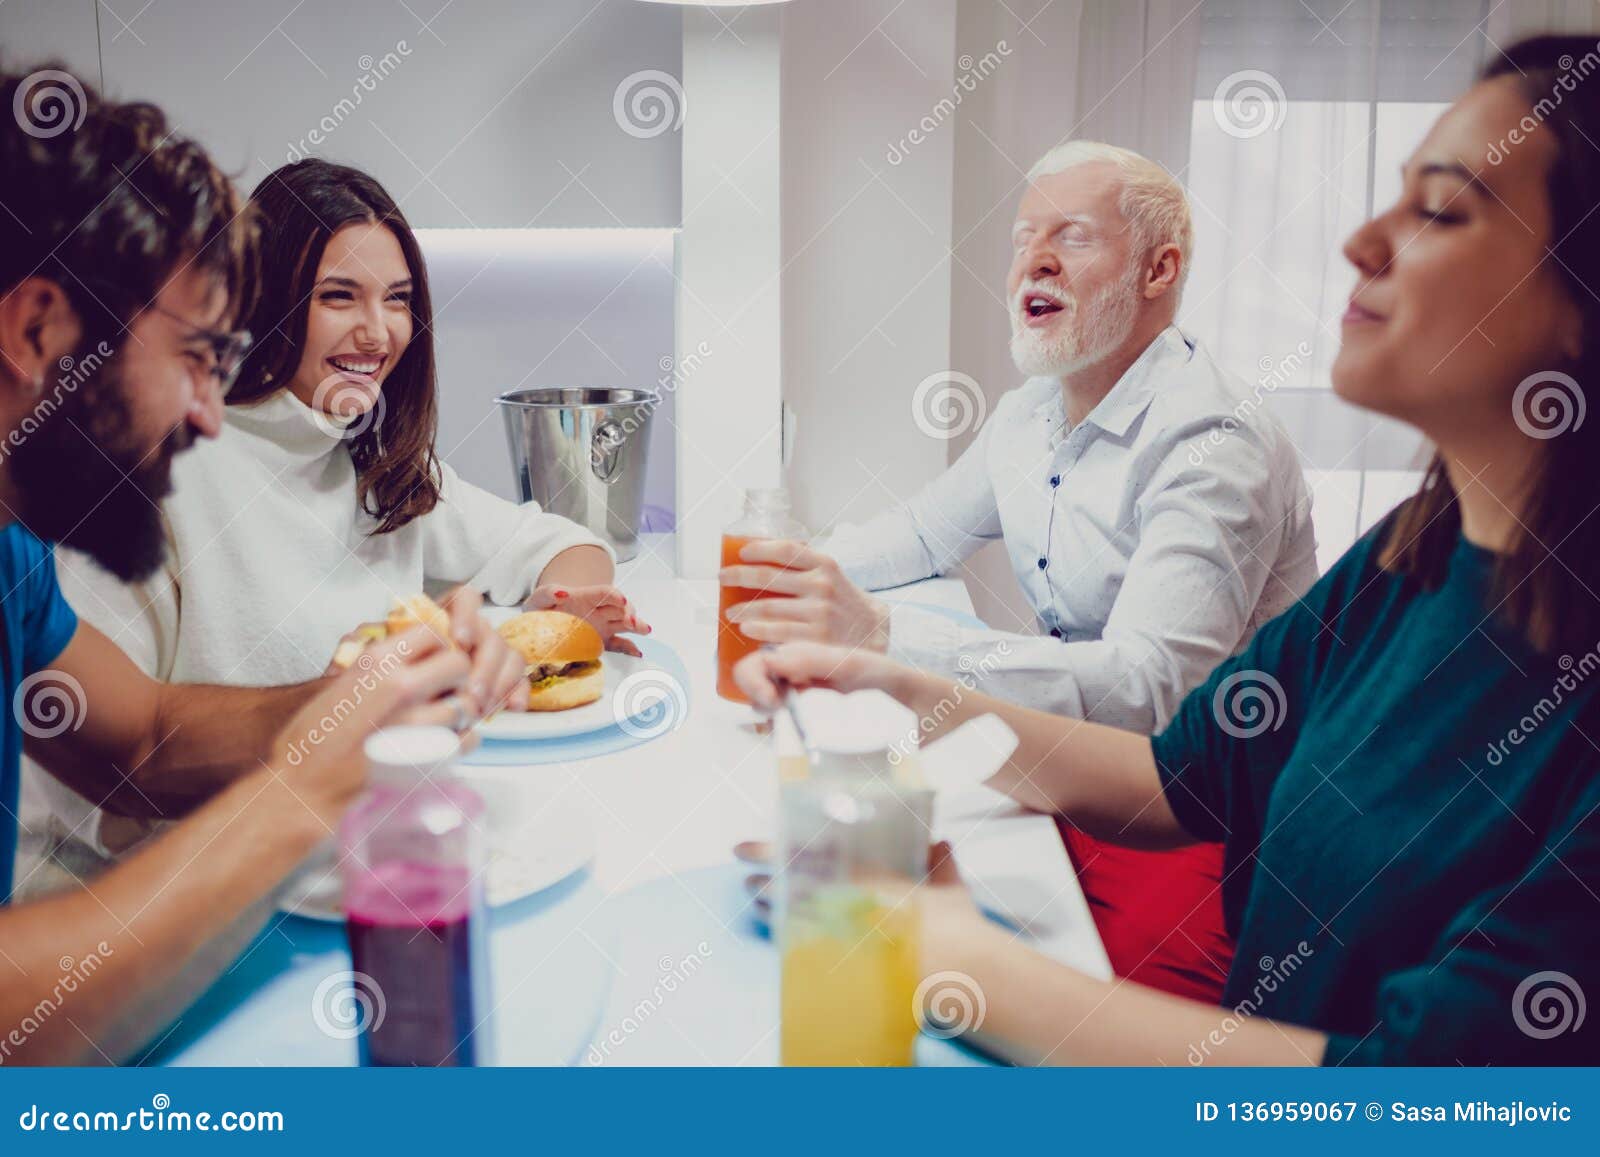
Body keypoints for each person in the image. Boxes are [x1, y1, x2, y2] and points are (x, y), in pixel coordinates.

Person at [735, 35, 1600, 1065]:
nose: (1363, 241)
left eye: (1443, 209)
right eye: (1023, 237)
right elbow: (1171, 773)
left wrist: (959, 956)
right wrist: (896, 685)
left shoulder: (1213, 439)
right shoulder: (1408, 559)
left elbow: (1414, 1098)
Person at [720, 141, 1318, 1001]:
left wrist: (884, 636)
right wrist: (779, 568)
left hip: (1206, 811)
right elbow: (921, 535)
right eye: (1023, 236)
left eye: (1071, 236)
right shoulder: (1030, 411)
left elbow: (1157, 691)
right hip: (1075, 766)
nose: (1032, 259)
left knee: (1082, 1018)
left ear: (1159, 269)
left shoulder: (1213, 441)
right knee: (866, 913)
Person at [0, 65, 504, 1064]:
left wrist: (360, 698)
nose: (208, 411)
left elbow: (135, 734)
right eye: (192, 357)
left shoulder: (12, 551)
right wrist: (303, 794)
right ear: (36, 330)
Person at [18, 158, 651, 887]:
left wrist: (530, 628)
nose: (377, 332)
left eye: (399, 300)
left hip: (352, 863)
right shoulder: (165, 474)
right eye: (339, 296)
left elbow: (569, 544)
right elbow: (106, 781)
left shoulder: (381, 463)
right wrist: (350, 712)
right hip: (166, 900)